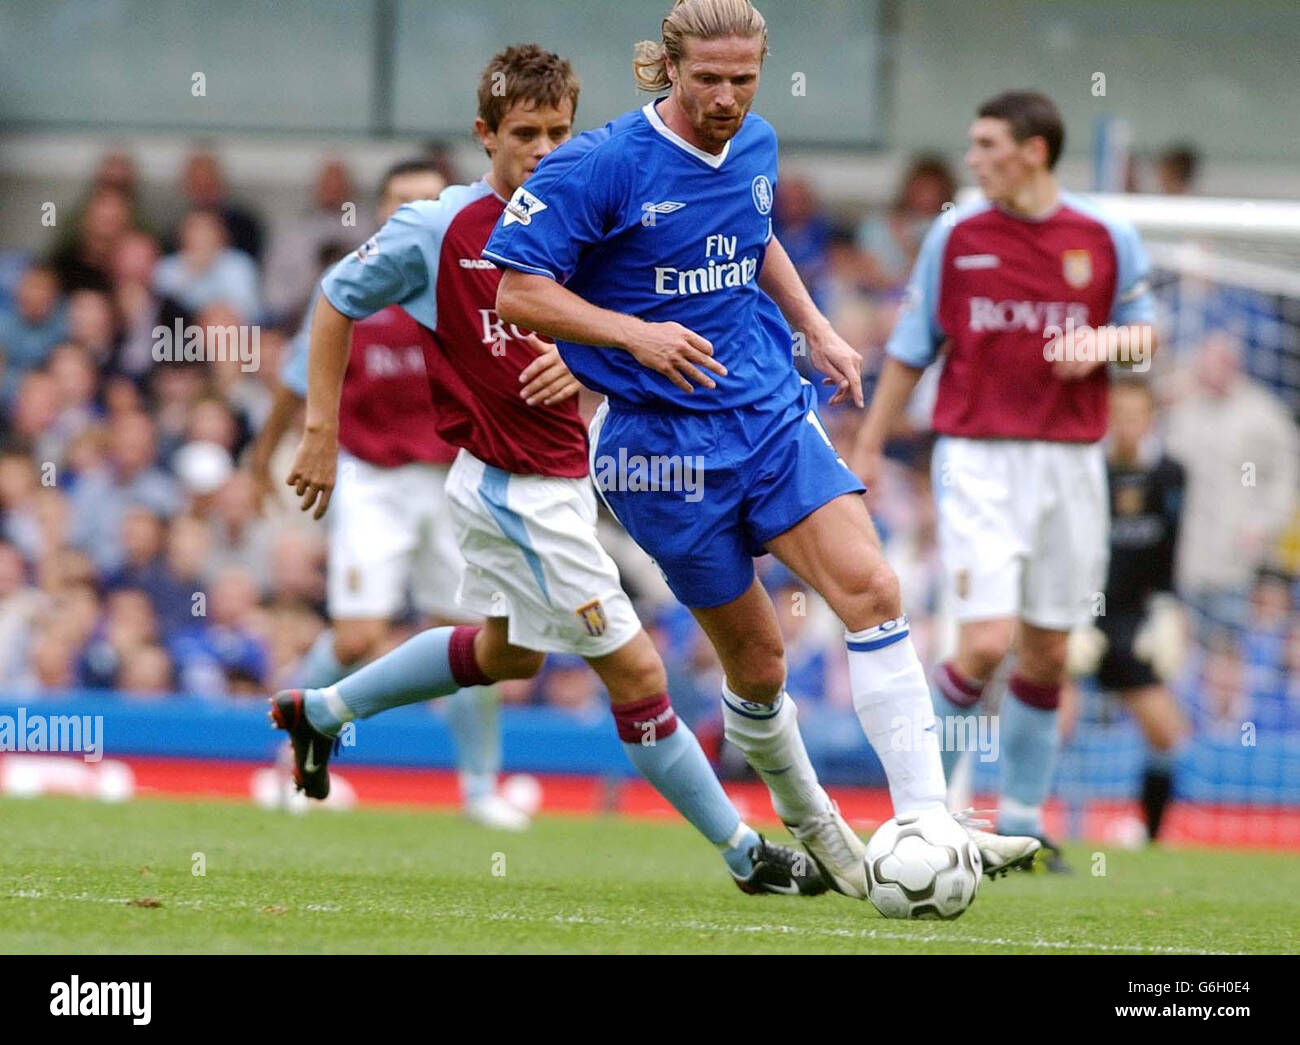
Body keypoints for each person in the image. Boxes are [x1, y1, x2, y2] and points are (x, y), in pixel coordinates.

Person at [483, 0, 1038, 897]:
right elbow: (518, 291)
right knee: (760, 662)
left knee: (874, 588)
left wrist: (815, 324)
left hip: (768, 412)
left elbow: (752, 233)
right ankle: (820, 830)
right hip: (656, 455)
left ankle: (927, 822)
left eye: (744, 78)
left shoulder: (757, 143)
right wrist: (635, 334)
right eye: (709, 79)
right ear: (668, 70)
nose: (728, 96)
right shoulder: (603, 163)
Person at [280, 43, 823, 896]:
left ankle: (320, 710)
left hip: (564, 473)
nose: (542, 149)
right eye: (524, 133)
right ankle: (748, 855)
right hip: (513, 489)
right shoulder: (439, 227)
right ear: (484, 135)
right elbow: (336, 299)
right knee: (639, 673)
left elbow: (647, 313)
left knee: (508, 656)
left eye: (558, 131)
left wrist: (588, 354)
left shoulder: (592, 214)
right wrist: (319, 430)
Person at [853, 89, 1159, 869]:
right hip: (979, 458)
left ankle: (1022, 821)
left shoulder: (1106, 235)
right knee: (985, 641)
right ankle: (937, 808)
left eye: (987, 144)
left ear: (1033, 151)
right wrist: (869, 447)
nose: (973, 158)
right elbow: (914, 349)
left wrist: (1105, 344)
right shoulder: (954, 237)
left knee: (1049, 652)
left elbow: (1151, 334)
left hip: (1070, 464)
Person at [250, 157, 530, 831]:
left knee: (473, 640)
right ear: (379, 209)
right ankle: (292, 760)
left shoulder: (475, 278)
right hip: (374, 478)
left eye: (425, 199)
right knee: (356, 635)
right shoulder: (352, 290)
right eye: (399, 199)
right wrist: (261, 457)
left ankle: (478, 787)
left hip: (456, 477)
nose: (412, 210)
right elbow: (294, 381)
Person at [1071, 378, 1188, 841]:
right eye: (1117, 414)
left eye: (1136, 415)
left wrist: (1166, 609)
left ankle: (1152, 836)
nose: (1127, 425)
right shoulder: (1083, 470)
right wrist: (1074, 614)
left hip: (1134, 618)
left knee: (1165, 731)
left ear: (1151, 419)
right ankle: (1029, 825)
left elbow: (1170, 550)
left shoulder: (1170, 475)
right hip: (1078, 611)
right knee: (1051, 714)